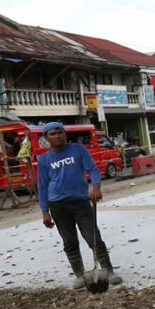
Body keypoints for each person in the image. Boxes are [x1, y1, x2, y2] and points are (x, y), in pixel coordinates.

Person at [37, 122, 120, 290]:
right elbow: (42, 186)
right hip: (58, 205)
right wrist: (45, 211)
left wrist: (96, 187)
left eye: (60, 132)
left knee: (93, 238)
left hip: (81, 202)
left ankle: (109, 272)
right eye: (52, 133)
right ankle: (80, 275)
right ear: (46, 138)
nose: (57, 135)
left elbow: (93, 169)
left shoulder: (78, 150)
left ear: (65, 134)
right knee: (69, 242)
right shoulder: (44, 159)